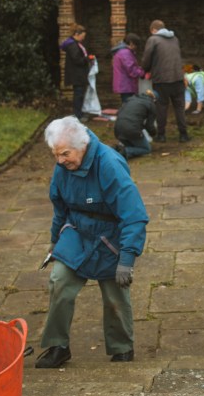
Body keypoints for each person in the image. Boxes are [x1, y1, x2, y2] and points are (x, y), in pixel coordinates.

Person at [36, 116, 148, 368]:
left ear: (82, 145)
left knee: (114, 295)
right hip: (78, 232)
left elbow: (134, 216)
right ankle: (57, 346)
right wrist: (55, 242)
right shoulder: (63, 167)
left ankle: (122, 348)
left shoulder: (109, 165)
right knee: (59, 281)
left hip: (110, 236)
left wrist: (127, 260)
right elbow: (59, 207)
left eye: (65, 153)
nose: (60, 161)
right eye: (56, 155)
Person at [140, 19, 189, 143]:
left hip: (161, 80)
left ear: (153, 30)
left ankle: (161, 135)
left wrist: (144, 70)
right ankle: (183, 134)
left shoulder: (153, 40)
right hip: (178, 77)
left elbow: (147, 58)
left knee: (161, 107)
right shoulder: (175, 39)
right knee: (179, 107)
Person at [60, 23, 95, 121]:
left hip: (78, 74)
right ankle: (77, 115)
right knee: (78, 95)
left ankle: (79, 113)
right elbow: (77, 60)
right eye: (82, 36)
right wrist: (87, 58)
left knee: (79, 94)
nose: (83, 38)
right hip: (77, 74)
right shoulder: (73, 45)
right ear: (76, 34)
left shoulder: (75, 44)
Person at [113, 91, 157, 160]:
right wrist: (153, 134)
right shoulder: (151, 105)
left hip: (118, 129)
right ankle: (125, 151)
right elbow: (149, 125)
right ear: (154, 99)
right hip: (132, 131)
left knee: (133, 145)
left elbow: (118, 113)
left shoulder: (130, 99)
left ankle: (117, 150)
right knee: (146, 149)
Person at [110, 33, 145, 104]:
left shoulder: (121, 51)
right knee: (128, 106)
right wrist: (142, 73)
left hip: (124, 84)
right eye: (136, 45)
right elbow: (131, 70)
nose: (136, 47)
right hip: (127, 85)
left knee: (127, 105)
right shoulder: (125, 53)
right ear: (131, 43)